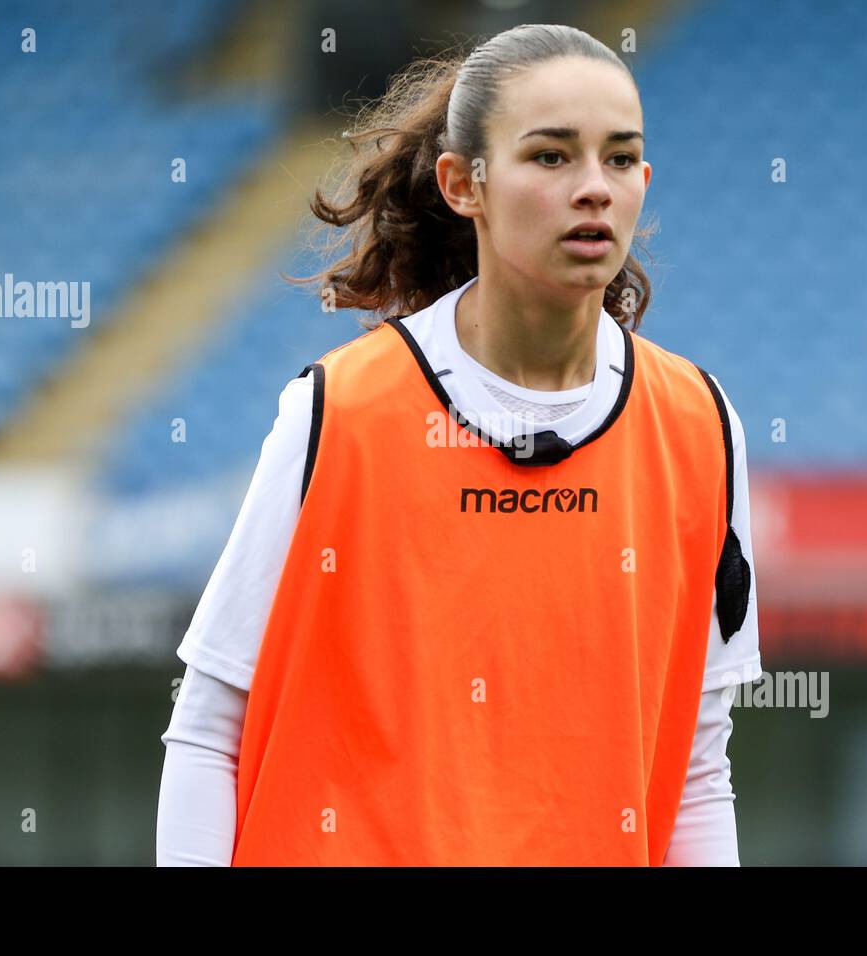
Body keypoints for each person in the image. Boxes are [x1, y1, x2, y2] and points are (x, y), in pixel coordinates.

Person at [157, 23, 762, 866]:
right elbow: (206, 729)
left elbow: (698, 773)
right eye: (550, 157)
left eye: (620, 159)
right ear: (462, 183)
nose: (594, 187)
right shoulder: (339, 412)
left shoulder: (701, 425)